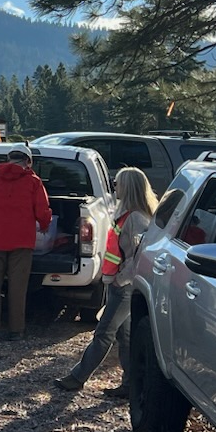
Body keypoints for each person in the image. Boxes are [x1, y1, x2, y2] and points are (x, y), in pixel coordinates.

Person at [55, 167, 158, 396]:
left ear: (128, 187)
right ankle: (131, 386)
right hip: (119, 284)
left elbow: (139, 257)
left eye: (118, 183)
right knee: (125, 336)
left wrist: (121, 280)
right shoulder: (130, 215)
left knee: (104, 333)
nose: (115, 186)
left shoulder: (136, 220)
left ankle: (77, 377)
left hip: (123, 287)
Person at [0, 148, 52, 341]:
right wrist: (44, 224)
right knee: (18, 286)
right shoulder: (33, 182)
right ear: (28, 162)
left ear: (8, 160)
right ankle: (16, 329)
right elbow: (42, 210)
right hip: (22, 240)